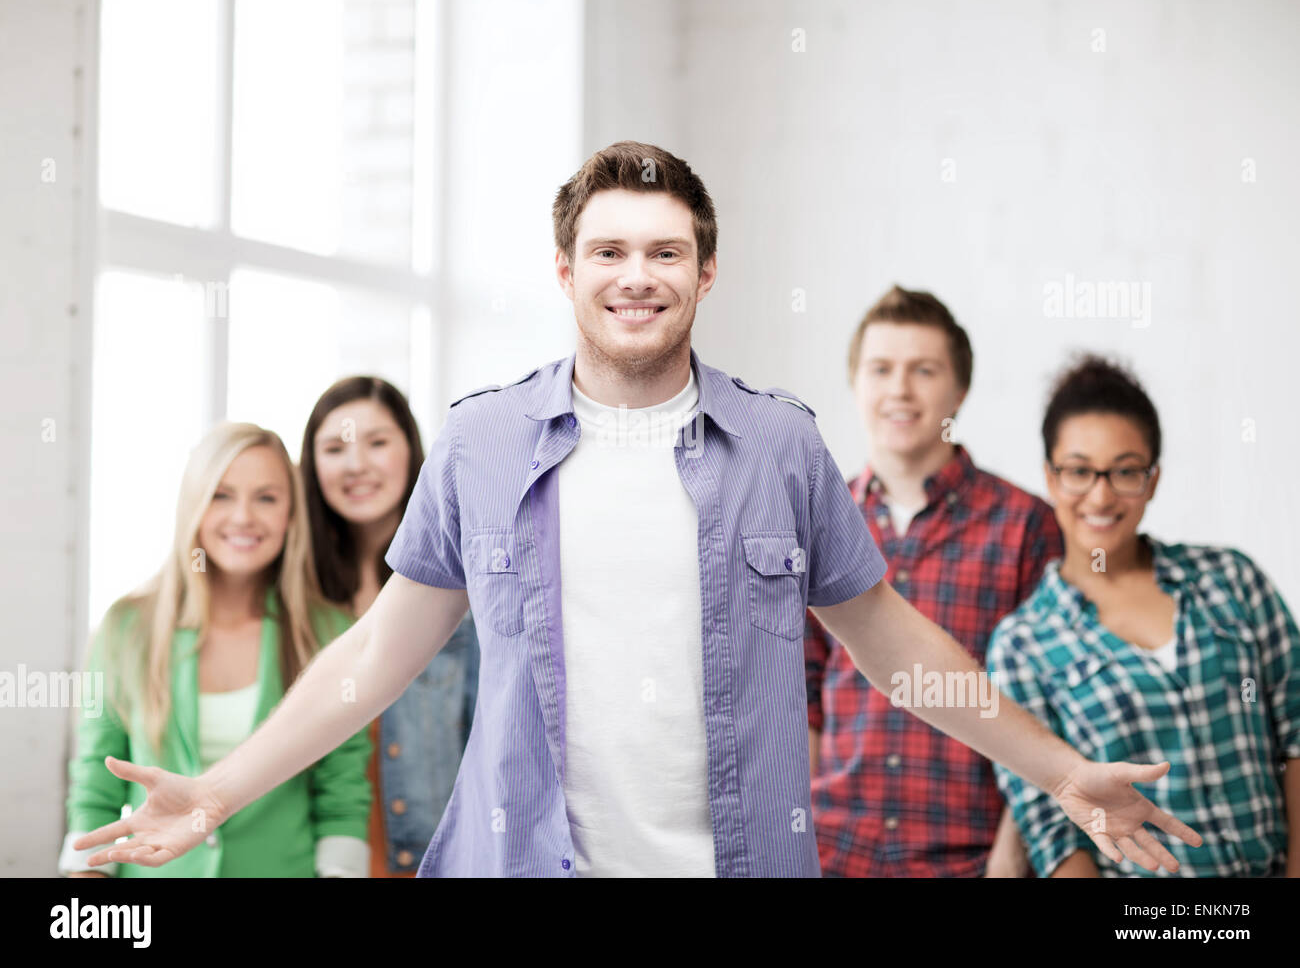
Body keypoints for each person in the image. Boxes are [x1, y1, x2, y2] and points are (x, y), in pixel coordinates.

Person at [71, 141, 1202, 878]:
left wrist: (1059, 769)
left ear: (708, 272)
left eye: (666, 251)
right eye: (607, 249)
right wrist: (218, 788)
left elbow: (894, 644)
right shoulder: (480, 440)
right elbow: (377, 653)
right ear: (564, 270)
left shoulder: (779, 444)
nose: (637, 275)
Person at [988, 355, 1300, 877]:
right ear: (1050, 477)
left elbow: (1297, 728)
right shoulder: (1022, 645)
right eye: (1079, 470)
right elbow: (1053, 834)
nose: (1102, 494)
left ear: (1152, 480)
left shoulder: (1231, 579)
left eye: (1126, 470)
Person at [804, 285, 1063, 877]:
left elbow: (1043, 709)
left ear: (960, 390)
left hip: (967, 861)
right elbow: (803, 702)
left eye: (924, 370)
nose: (900, 389)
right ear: (856, 384)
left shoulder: (1026, 525)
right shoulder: (820, 518)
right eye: (882, 369)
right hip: (835, 856)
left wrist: (1007, 866)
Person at [59, 422, 371, 877]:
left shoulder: (327, 631)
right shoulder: (126, 627)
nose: (244, 516)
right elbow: (95, 789)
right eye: (222, 495)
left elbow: (342, 793)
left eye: (266, 497)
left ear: (291, 514)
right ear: (193, 506)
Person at [301, 376, 480, 877]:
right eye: (335, 448)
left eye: (377, 442)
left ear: (411, 449)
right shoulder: (297, 596)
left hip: (429, 859)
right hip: (321, 859)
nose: (357, 464)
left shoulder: (460, 593)